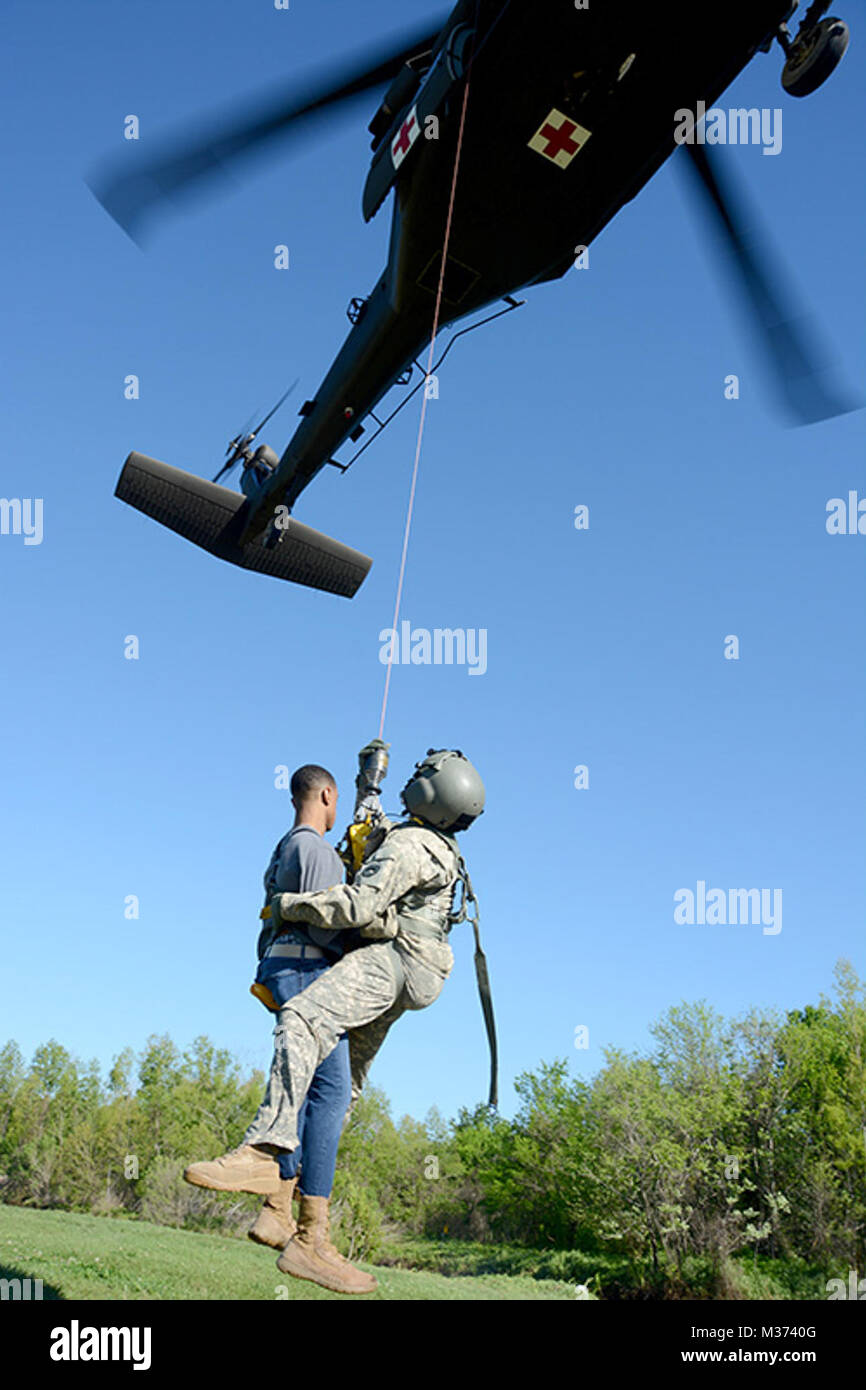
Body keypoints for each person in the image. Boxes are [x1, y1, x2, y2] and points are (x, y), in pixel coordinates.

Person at [185, 748, 485, 1295]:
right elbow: (375, 828)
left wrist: (291, 905)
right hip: (419, 972)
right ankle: (293, 1221)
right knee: (341, 1088)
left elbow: (357, 906)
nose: (412, 782)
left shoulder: (411, 846)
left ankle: (266, 1151)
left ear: (431, 795)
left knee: (303, 1016)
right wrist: (369, 782)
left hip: (394, 961)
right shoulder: (436, 844)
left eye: (421, 777)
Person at [245, 762, 372, 1291]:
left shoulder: (288, 848)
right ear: (325, 794)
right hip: (307, 971)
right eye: (336, 801)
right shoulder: (314, 852)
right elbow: (328, 926)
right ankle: (305, 1230)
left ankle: (279, 1209)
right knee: (330, 1091)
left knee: (312, 1090)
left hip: (283, 967)